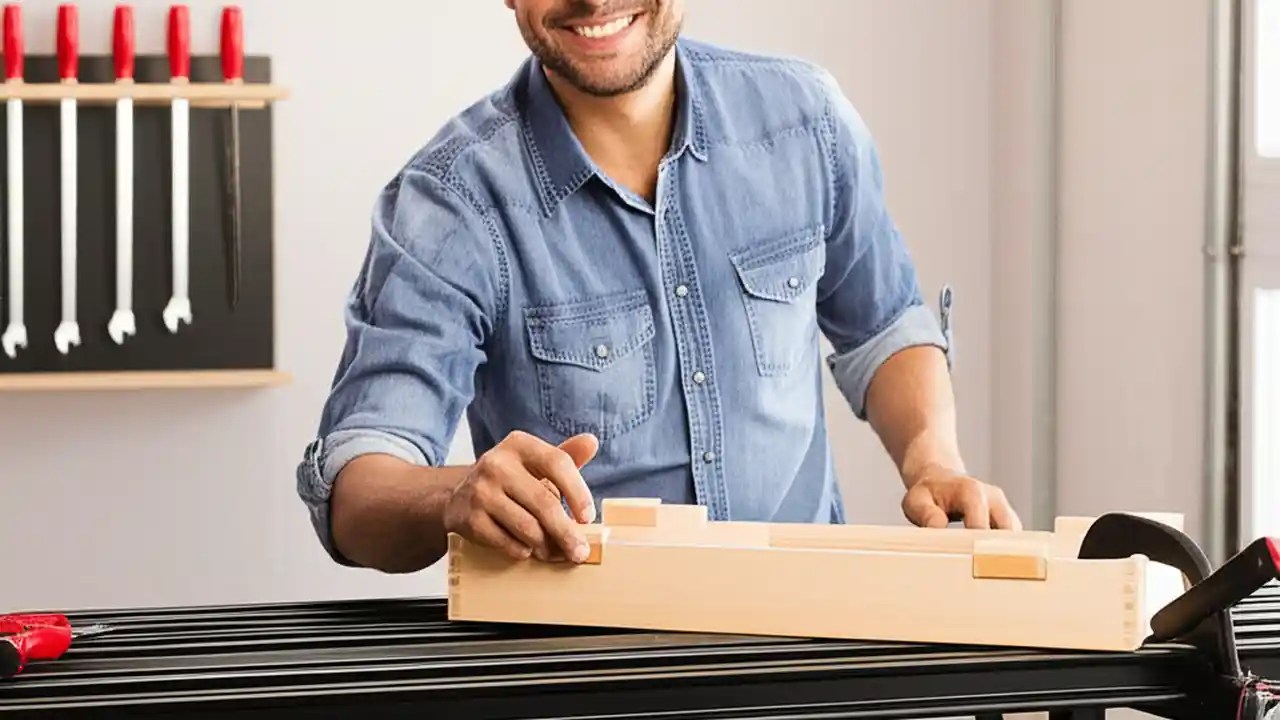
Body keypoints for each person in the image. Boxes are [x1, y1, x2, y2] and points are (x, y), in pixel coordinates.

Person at [296, 0, 1021, 574]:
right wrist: (451, 498)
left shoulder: (807, 121)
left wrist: (934, 462)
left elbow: (882, 326)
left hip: (806, 660)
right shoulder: (447, 205)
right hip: (585, 682)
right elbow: (359, 487)